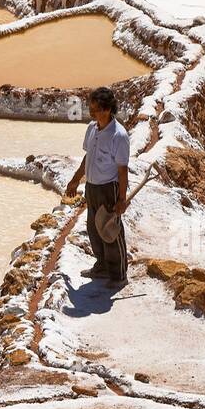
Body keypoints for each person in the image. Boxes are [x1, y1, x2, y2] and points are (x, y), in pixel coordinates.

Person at [65, 86, 130, 286]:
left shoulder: (118, 136)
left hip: (108, 189)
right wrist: (76, 179)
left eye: (94, 109)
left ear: (107, 109)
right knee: (94, 229)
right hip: (92, 188)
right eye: (91, 109)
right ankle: (101, 266)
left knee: (110, 231)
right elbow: (88, 157)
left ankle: (119, 275)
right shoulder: (92, 129)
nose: (91, 113)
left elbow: (122, 170)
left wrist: (121, 199)